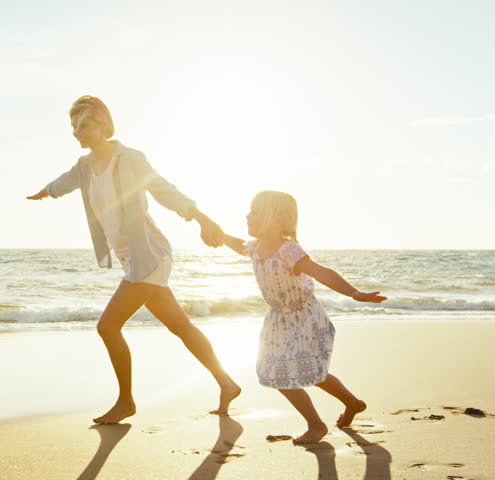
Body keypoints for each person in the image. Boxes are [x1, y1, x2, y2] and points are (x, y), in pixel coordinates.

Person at [27, 95, 241, 424]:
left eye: (84, 125)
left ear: (103, 125)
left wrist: (201, 218)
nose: (76, 132)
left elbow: (163, 189)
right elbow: (65, 182)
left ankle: (126, 401)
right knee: (181, 326)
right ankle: (227, 383)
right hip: (134, 260)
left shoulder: (130, 159)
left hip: (150, 254)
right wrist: (45, 191)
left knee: (108, 326)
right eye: (73, 126)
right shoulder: (85, 167)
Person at [223, 190, 386, 444]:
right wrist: (213, 231)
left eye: (254, 212)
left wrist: (354, 292)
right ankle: (352, 403)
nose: (247, 216)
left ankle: (316, 425)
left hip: (304, 319)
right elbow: (235, 243)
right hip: (278, 320)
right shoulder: (255, 247)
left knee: (285, 372)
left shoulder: (288, 249)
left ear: (274, 218)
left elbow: (322, 273)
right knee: (308, 373)